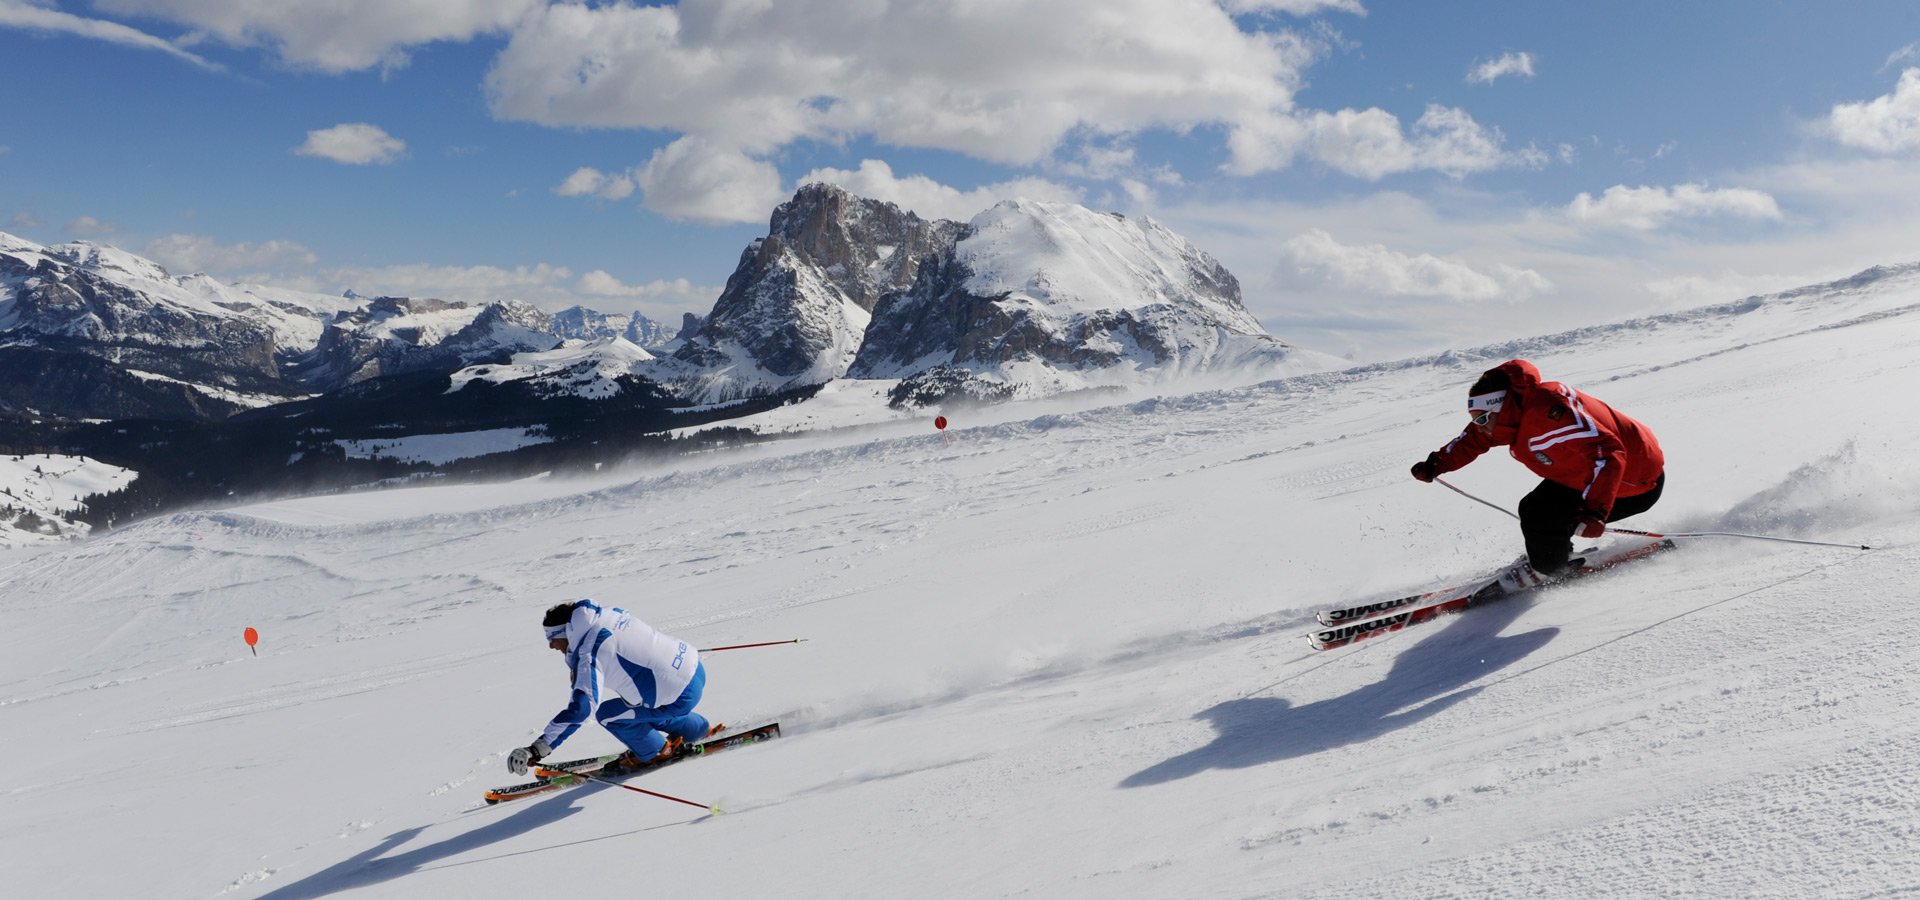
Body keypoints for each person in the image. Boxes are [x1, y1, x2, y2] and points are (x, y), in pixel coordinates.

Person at [1410, 359, 1666, 583]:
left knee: (1542, 516)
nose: (1480, 426)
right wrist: (1437, 463)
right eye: (1476, 419)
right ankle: (1552, 558)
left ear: (1503, 406)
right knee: (1536, 511)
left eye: (1482, 418)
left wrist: (1594, 512)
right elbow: (1474, 439)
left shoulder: (1550, 413)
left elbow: (1608, 453)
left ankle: (1553, 570)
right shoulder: (1517, 413)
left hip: (1633, 483)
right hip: (1590, 476)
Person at [507, 599, 719, 778]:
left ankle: (656, 752)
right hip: (694, 669)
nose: (551, 646)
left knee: (608, 715)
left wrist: (538, 748)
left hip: (677, 695)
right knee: (640, 705)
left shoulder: (590, 652)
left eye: (552, 639)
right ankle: (696, 729)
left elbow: (582, 710)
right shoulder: (606, 614)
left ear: (566, 633)